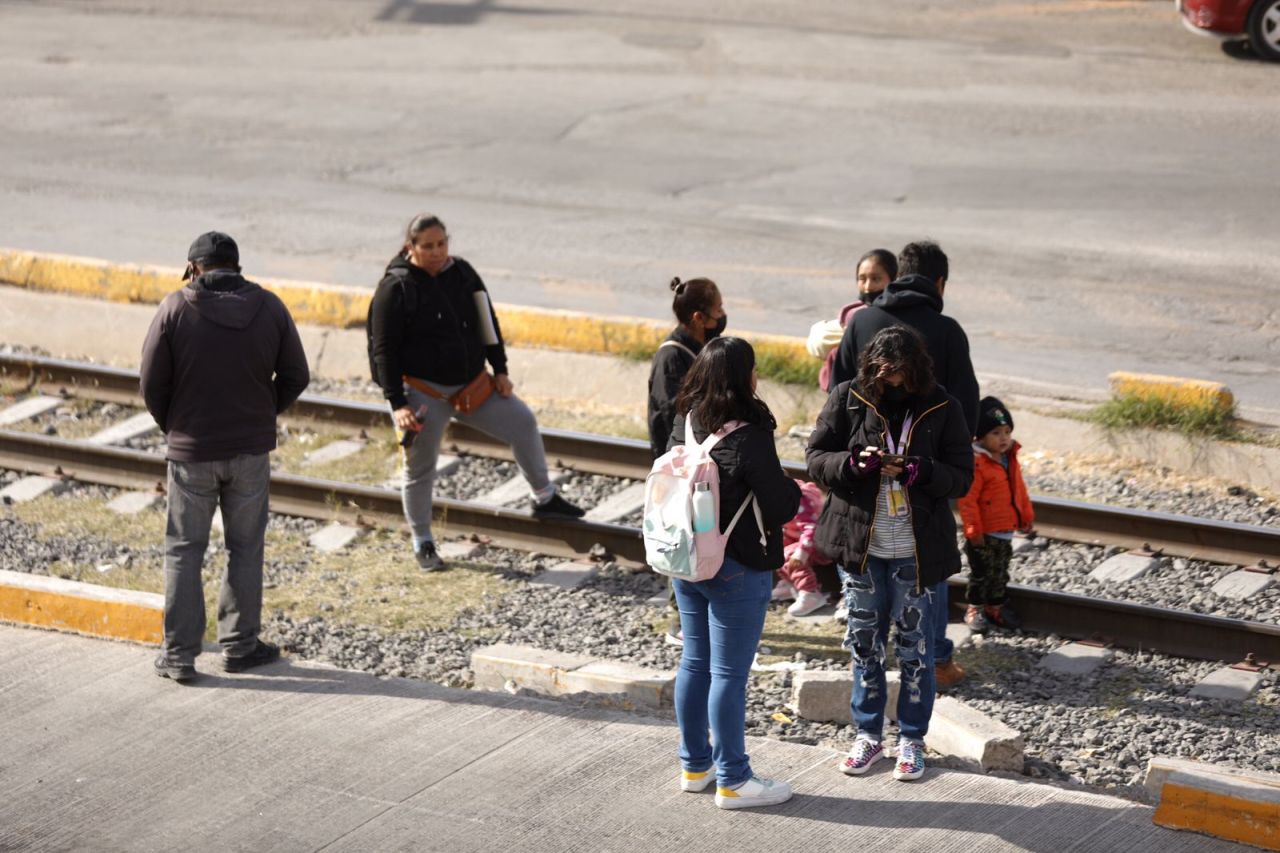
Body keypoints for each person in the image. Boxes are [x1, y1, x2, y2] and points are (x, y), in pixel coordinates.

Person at [369, 214, 584, 571]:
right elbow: (383, 351)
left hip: (473, 385)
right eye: (428, 246)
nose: (437, 252)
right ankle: (422, 540)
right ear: (411, 247)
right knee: (420, 469)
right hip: (423, 394)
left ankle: (544, 497)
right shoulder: (395, 289)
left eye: (442, 244)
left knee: (522, 422)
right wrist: (397, 403)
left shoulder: (463, 272)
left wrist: (500, 370)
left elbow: (488, 322)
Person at [141, 231, 310, 682]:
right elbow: (297, 374)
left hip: (193, 452)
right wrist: (261, 412)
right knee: (245, 547)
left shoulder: (175, 308)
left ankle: (179, 657)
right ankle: (240, 645)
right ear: (236, 266)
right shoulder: (270, 306)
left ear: (194, 267)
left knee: (184, 550)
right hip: (250, 451)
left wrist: (176, 426)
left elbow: (151, 384)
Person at [806, 326, 973, 781]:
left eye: (899, 371)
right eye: (882, 370)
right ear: (870, 367)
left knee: (916, 650)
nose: (891, 378)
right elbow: (816, 457)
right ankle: (867, 734)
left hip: (916, 554)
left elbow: (962, 477)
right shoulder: (848, 397)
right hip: (861, 551)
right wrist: (853, 464)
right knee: (865, 645)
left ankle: (912, 739)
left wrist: (922, 470)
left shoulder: (944, 406)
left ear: (916, 369)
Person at [830, 239, 980, 688]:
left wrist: (854, 457)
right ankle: (933, 660)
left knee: (867, 572)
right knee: (925, 565)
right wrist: (945, 463)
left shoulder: (862, 322)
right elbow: (965, 407)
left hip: (865, 473)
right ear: (939, 283)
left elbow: (838, 397)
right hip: (924, 475)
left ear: (896, 277)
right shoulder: (948, 331)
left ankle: (869, 669)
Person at [667, 336, 801, 809]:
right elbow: (781, 505)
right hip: (737, 567)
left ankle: (695, 765)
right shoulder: (749, 436)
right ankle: (734, 780)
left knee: (695, 664)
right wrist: (793, 487)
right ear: (743, 376)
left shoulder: (687, 423)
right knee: (728, 673)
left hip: (687, 563)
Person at [647, 276, 727, 645]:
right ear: (698, 317)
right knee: (682, 537)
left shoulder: (699, 347)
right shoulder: (672, 357)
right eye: (717, 310)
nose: (722, 315)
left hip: (697, 463)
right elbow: (671, 414)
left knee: (701, 535)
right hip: (678, 467)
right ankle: (680, 621)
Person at [957, 397, 1034, 633]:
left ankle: (995, 606)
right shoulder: (978, 463)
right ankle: (975, 608)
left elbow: (1019, 491)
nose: (1004, 438)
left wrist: (1025, 518)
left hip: (1005, 531)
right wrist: (973, 531)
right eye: (996, 432)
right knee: (981, 573)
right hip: (984, 532)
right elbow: (968, 501)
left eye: (1007, 432)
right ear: (980, 436)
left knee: (1000, 572)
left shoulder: (1009, 459)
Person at [806, 249, 897, 393]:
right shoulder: (852, 314)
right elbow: (818, 344)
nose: (868, 286)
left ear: (893, 279)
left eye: (876, 279)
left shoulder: (896, 314)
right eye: (862, 279)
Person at [770, 479, 835, 617]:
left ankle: (810, 593)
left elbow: (811, 528)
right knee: (776, 548)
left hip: (819, 545)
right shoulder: (781, 496)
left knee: (789, 555)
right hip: (801, 542)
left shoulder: (799, 501)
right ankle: (791, 584)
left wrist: (802, 552)